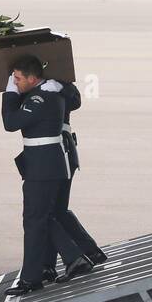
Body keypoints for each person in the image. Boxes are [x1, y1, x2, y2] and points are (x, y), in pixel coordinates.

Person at [2, 55, 90, 297]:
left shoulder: (41, 96)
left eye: (17, 79)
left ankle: (33, 278)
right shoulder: (43, 92)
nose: (15, 83)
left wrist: (9, 94)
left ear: (33, 78)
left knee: (34, 220)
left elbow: (10, 122)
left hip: (43, 166)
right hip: (45, 164)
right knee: (40, 218)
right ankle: (66, 261)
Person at [38, 78, 104, 282]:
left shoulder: (55, 82)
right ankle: (86, 252)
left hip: (60, 152)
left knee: (48, 211)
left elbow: (75, 100)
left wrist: (61, 86)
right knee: (54, 210)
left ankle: (74, 257)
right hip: (55, 152)